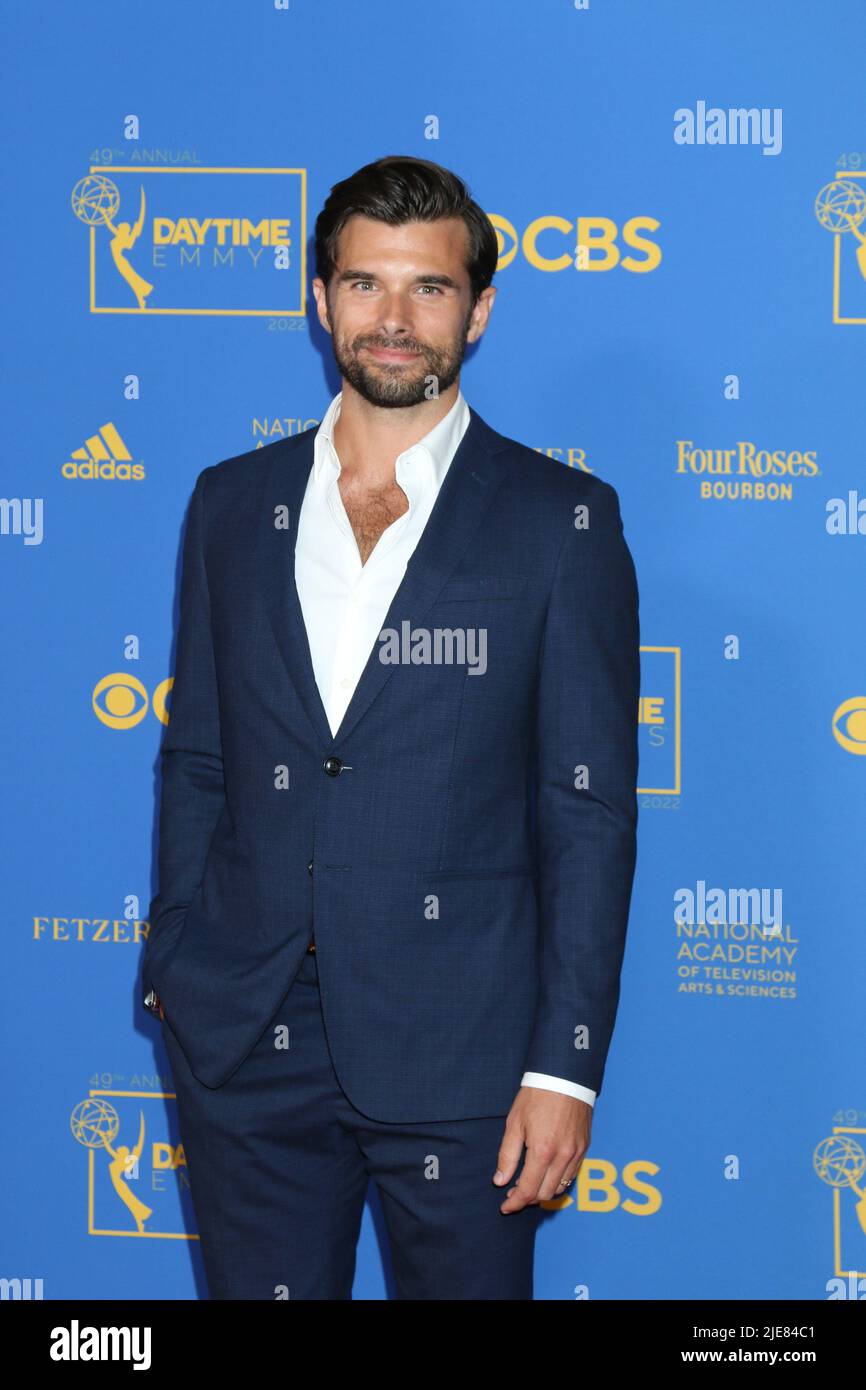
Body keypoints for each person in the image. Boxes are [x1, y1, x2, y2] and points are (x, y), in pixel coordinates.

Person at [142, 154, 640, 1300]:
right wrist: (176, 948)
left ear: (479, 309)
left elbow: (586, 812)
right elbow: (200, 757)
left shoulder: (557, 520)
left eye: (429, 289)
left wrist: (561, 1073)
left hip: (462, 1050)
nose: (395, 320)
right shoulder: (232, 503)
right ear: (318, 301)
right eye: (365, 285)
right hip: (242, 1034)